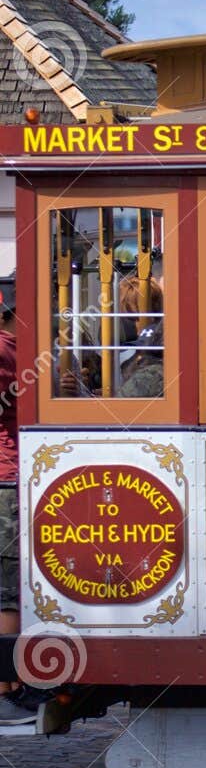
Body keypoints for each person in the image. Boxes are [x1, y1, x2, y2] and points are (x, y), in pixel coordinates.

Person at [0, 294, 31, 725]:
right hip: (8, 474)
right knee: (9, 588)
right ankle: (8, 688)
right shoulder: (8, 351)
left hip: (10, 472)